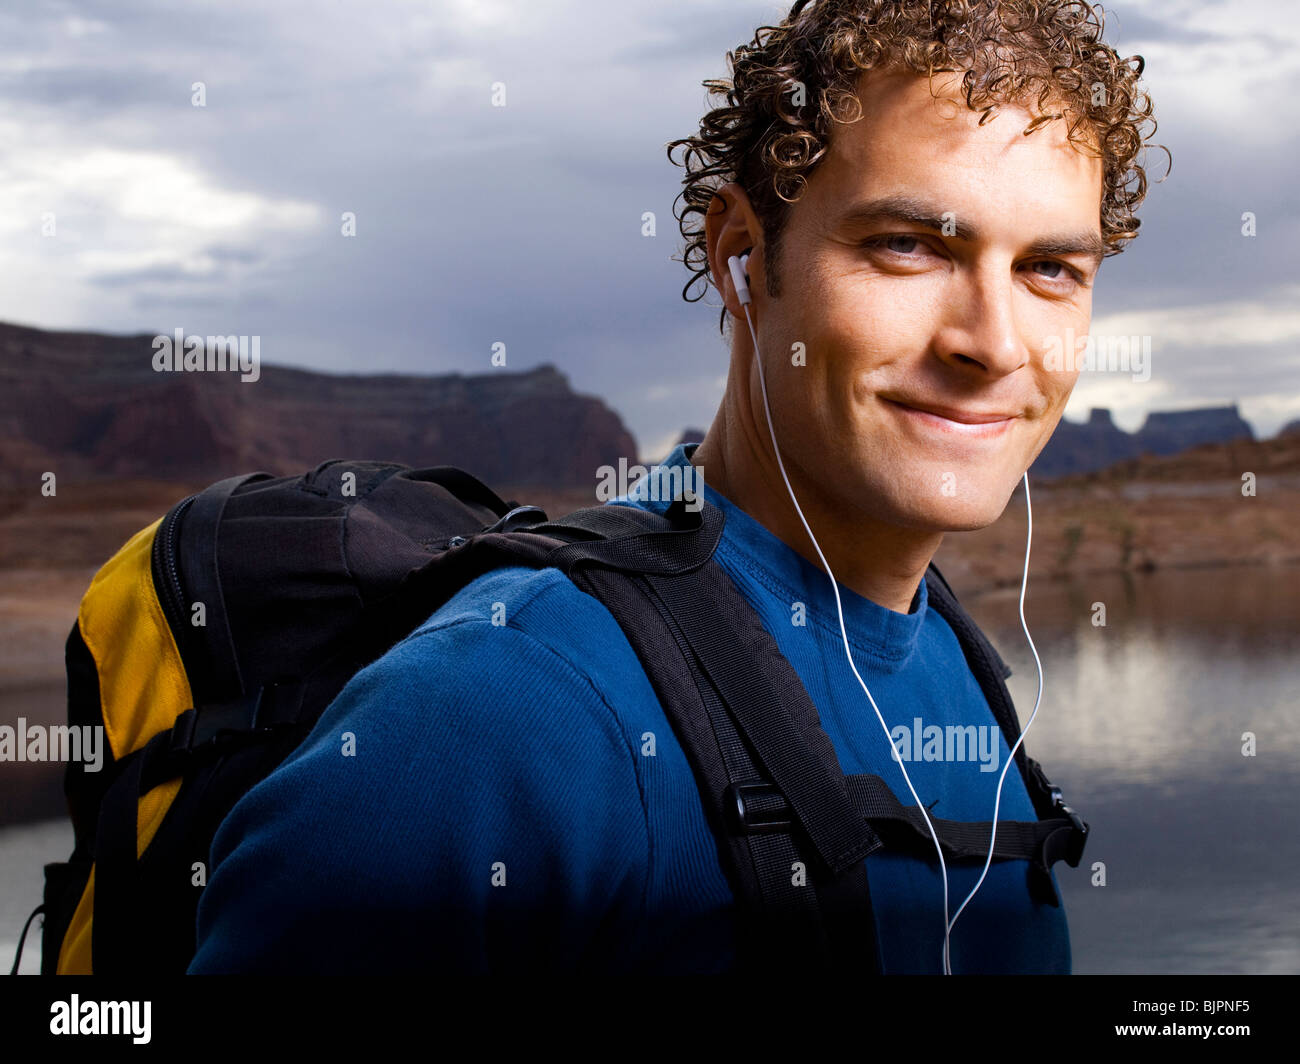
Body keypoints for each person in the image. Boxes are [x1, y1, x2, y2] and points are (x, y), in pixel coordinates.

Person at [189, 0, 1158, 974]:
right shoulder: (500, 708)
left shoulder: (953, 655)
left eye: (1048, 268)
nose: (990, 342)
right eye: (907, 244)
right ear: (740, 253)